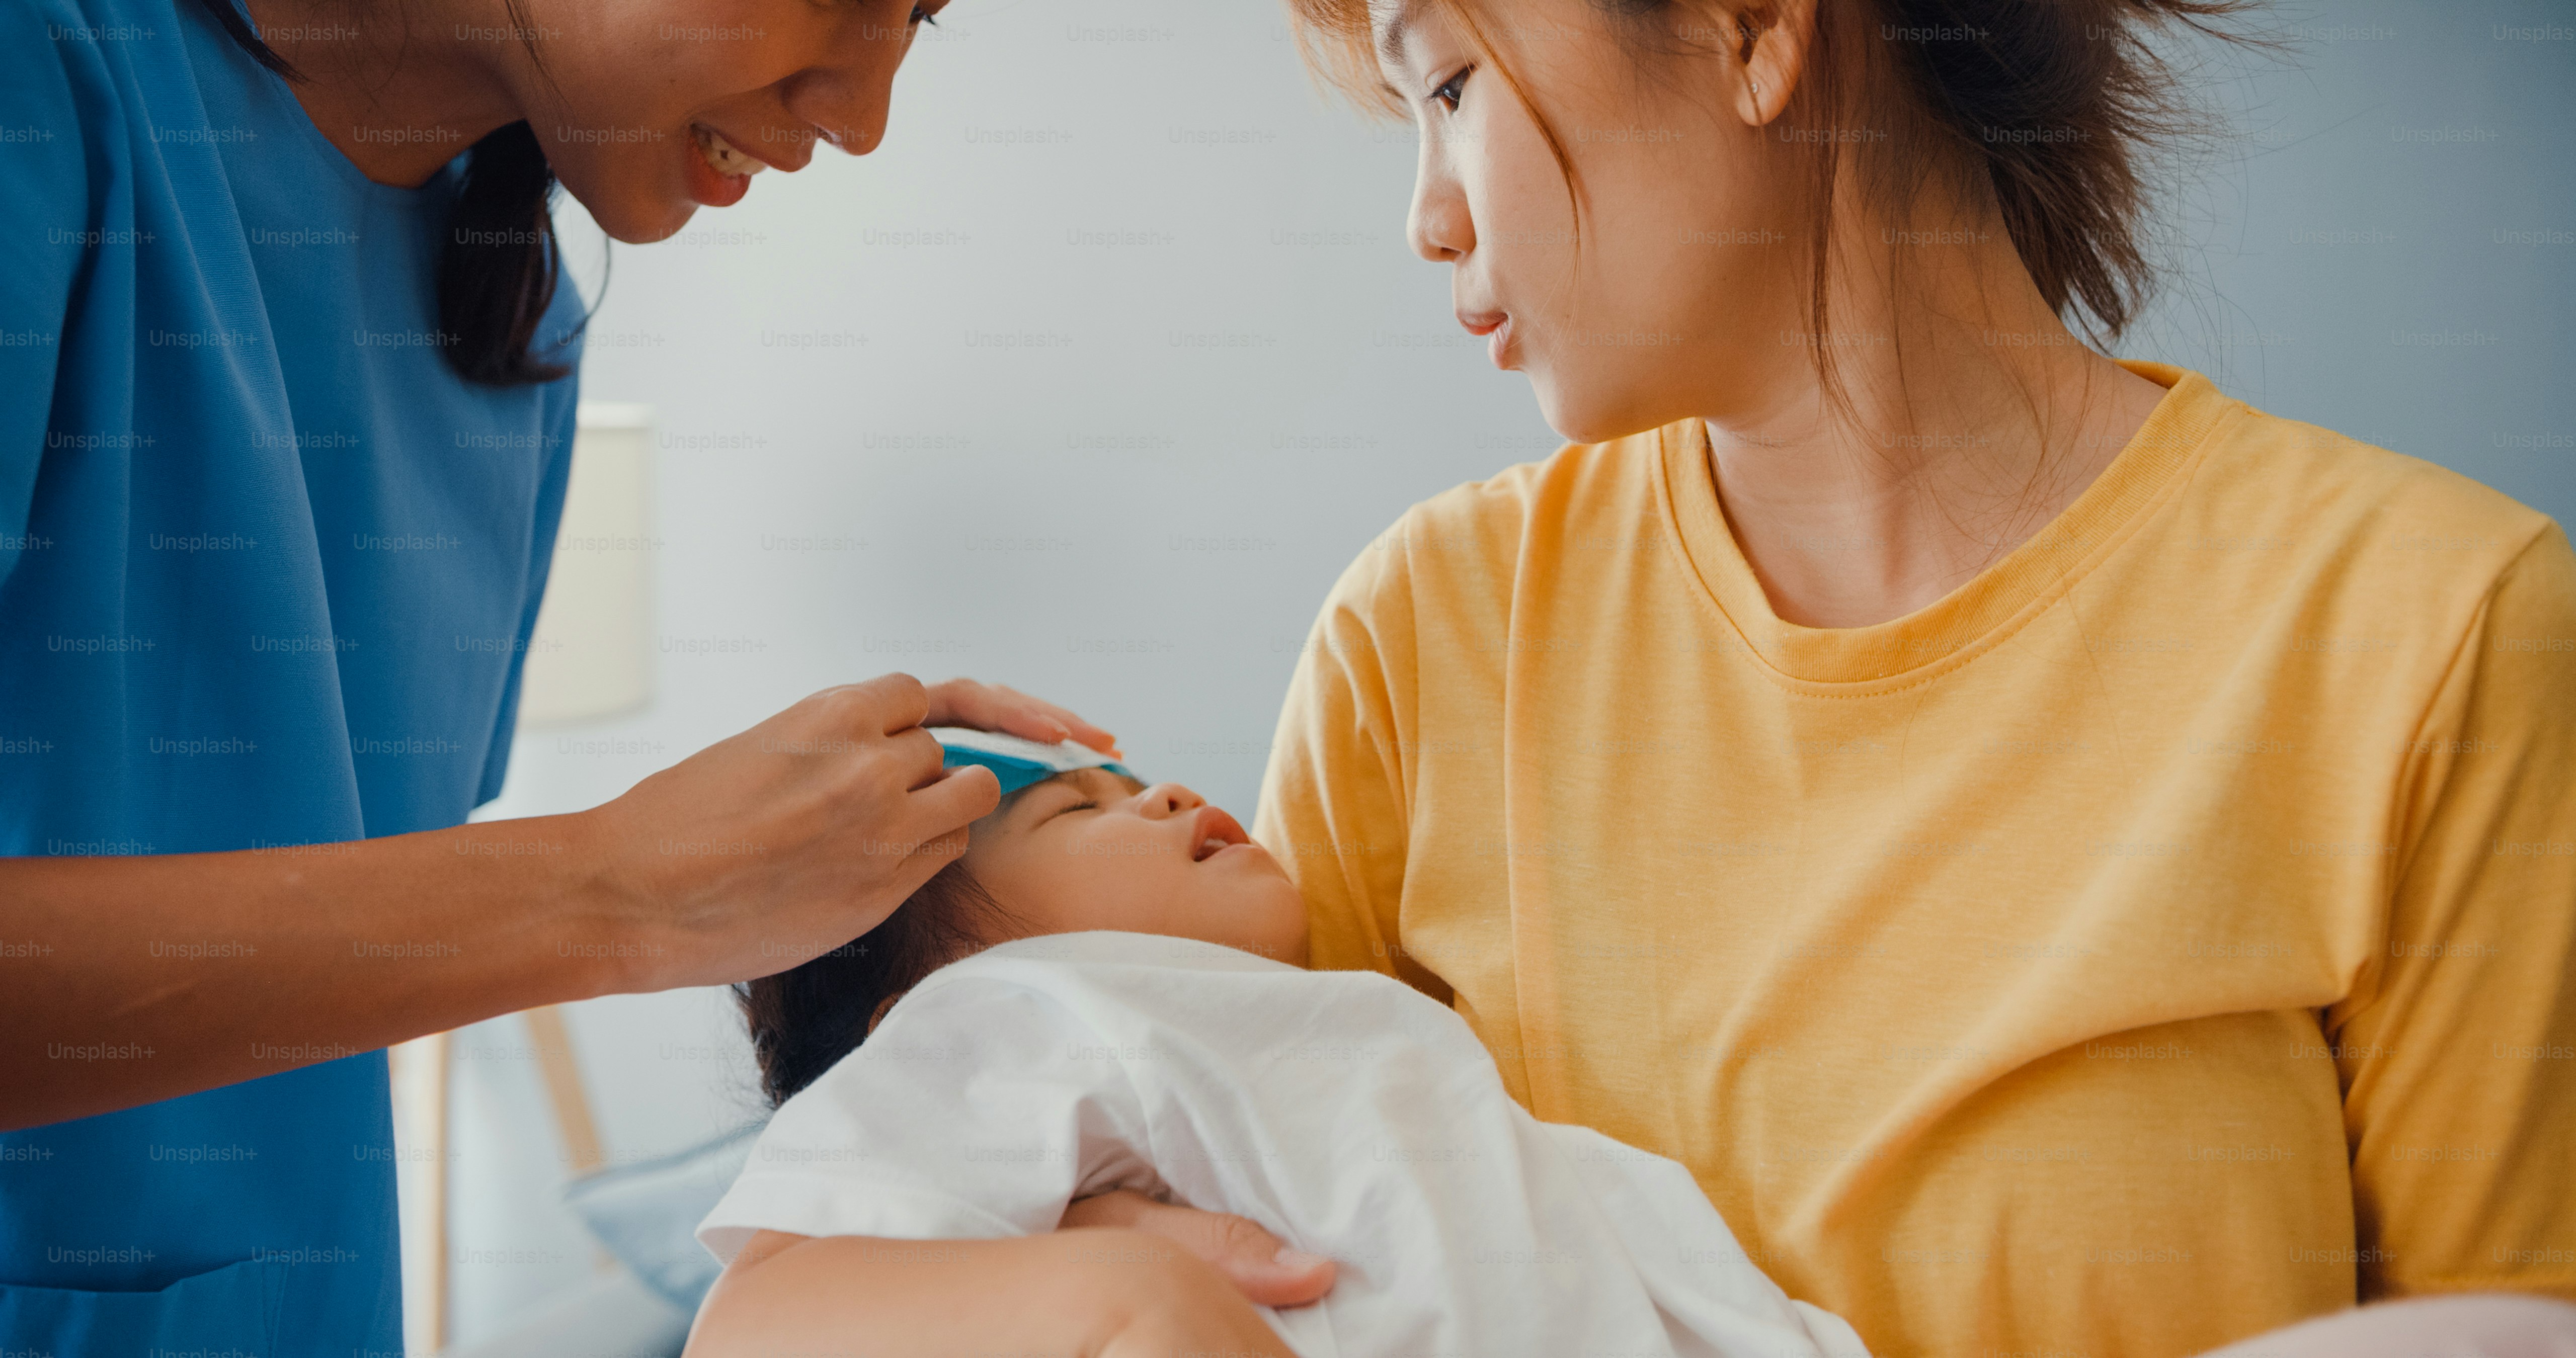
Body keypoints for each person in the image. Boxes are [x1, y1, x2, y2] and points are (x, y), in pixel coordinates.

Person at [1221, 0, 2576, 1353]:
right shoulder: (1418, 647)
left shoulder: (2434, 629)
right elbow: (1198, 1182)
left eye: (1450, 86)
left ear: (1751, 31)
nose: (1430, 220)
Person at [0, 0, 1104, 1351]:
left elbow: (338, 959)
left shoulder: (515, 326)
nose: (862, 118)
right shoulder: (44, 82)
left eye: (921, 15)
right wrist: (624, 889)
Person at [682, 751, 1872, 1358]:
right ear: (916, 1008)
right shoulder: (1005, 1010)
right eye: (1080, 811)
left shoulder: (1311, 1028)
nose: (1166, 794)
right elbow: (756, 1324)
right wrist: (1127, 1297)